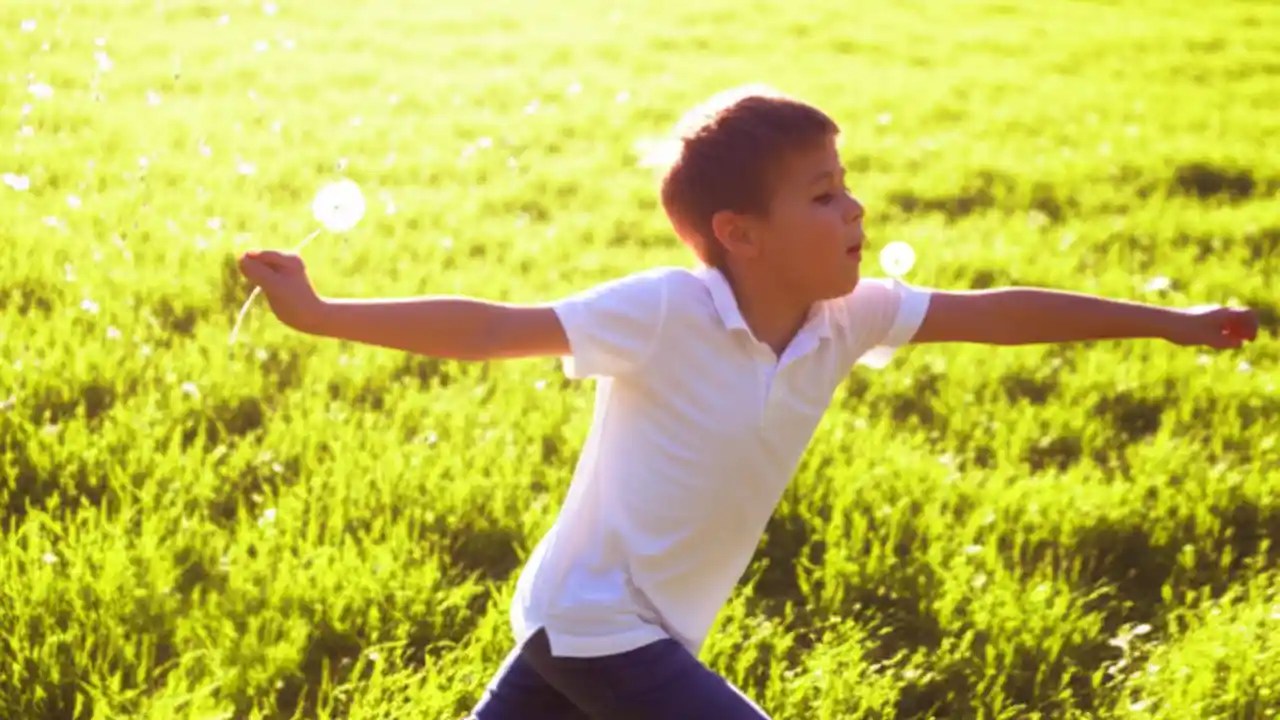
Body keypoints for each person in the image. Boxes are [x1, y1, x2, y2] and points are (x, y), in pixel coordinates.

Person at [235, 85, 1260, 719]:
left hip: (636, 626)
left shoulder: (845, 316)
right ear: (739, 232)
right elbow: (496, 328)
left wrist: (1160, 323)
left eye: (846, 183)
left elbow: (995, 314)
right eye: (821, 194)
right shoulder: (664, 311)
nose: (854, 208)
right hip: (593, 620)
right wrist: (322, 314)